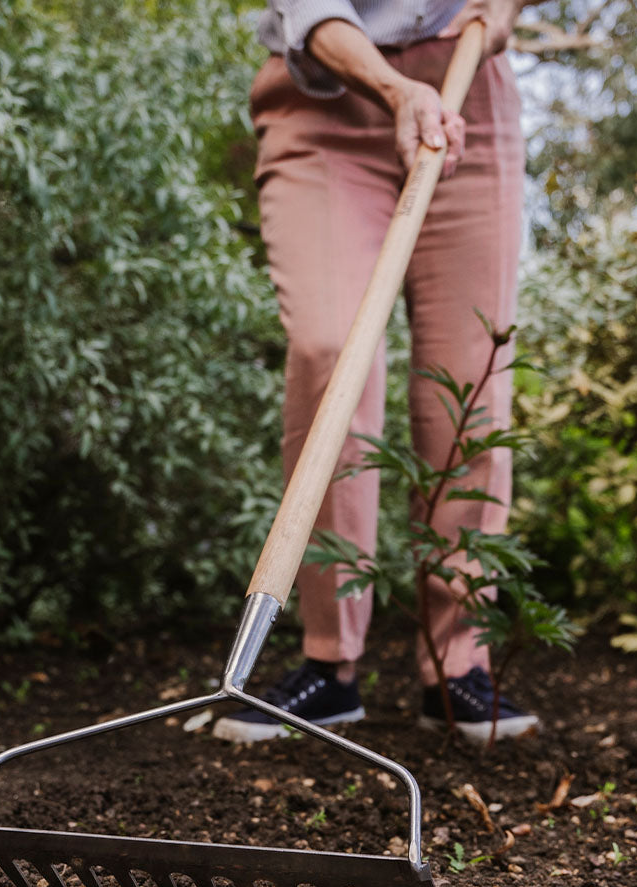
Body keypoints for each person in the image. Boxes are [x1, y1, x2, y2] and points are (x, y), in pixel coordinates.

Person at [213, 0, 540, 745]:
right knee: (331, 352)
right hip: (326, 94)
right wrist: (396, 91)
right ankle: (329, 666)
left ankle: (458, 665)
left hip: (469, 92)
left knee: (471, 383)